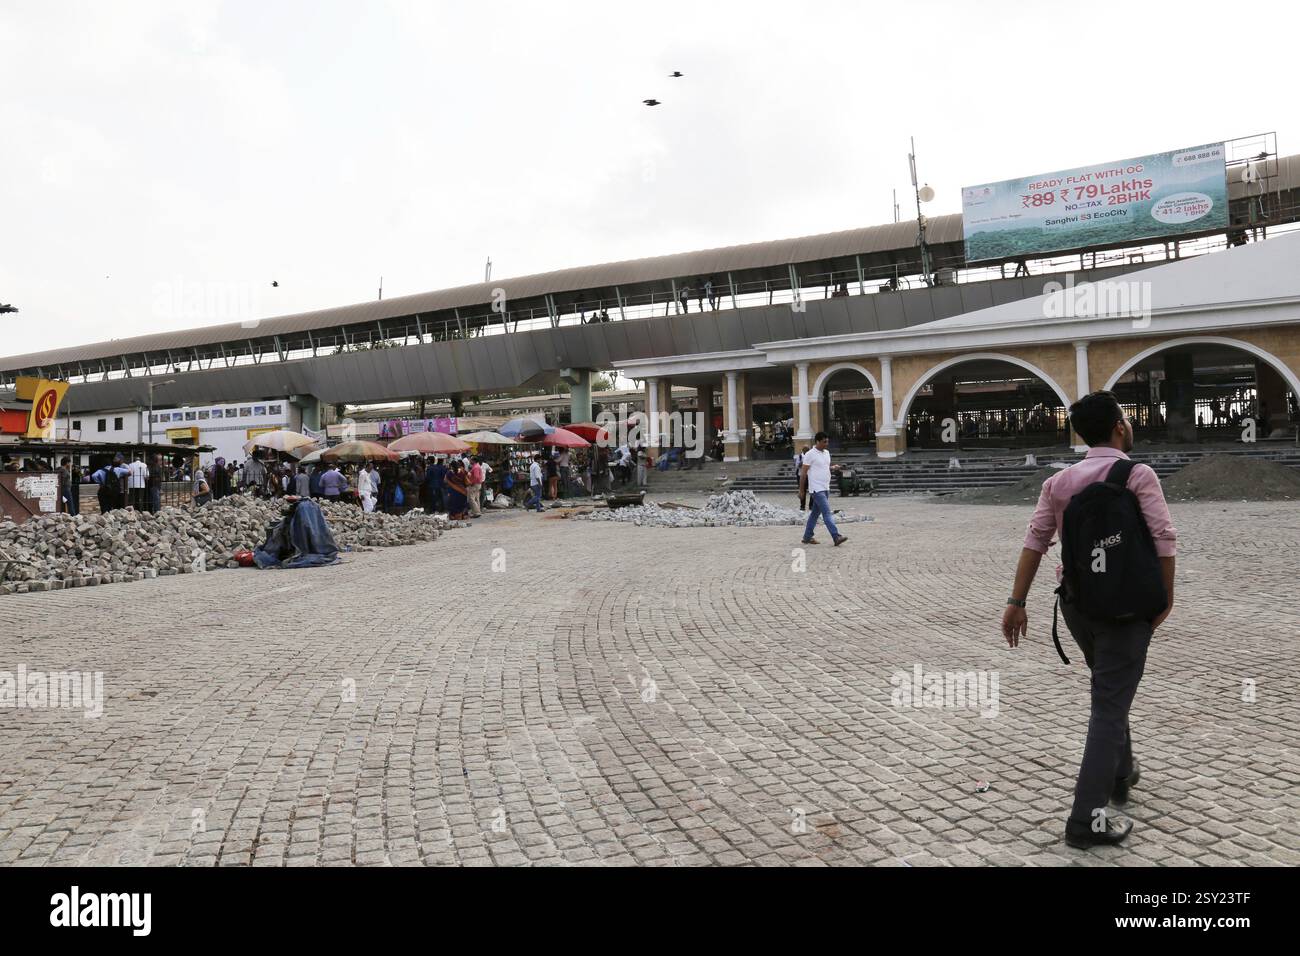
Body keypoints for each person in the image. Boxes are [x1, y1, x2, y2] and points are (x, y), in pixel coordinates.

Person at [1001, 390, 1176, 850]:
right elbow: (1163, 539)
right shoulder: (1138, 474)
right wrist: (1164, 599)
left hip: (1078, 606)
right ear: (1120, 426)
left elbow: (1035, 541)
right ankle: (1086, 820)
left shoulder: (1060, 483)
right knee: (1109, 706)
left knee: (1108, 687)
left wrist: (1016, 601)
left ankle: (1121, 771)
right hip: (1127, 607)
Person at [800, 432, 847, 546]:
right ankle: (836, 536)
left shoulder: (827, 453)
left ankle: (807, 537)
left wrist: (833, 467)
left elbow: (824, 467)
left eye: (827, 441)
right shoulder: (810, 454)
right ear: (817, 441)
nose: (826, 444)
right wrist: (801, 490)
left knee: (815, 514)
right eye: (824, 442)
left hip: (826, 487)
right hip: (816, 489)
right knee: (826, 512)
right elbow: (803, 473)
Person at [794, 445, 810, 511]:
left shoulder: (810, 456)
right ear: (803, 450)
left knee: (812, 490)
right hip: (801, 475)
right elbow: (797, 466)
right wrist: (803, 462)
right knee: (802, 490)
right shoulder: (800, 457)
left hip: (809, 475)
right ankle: (802, 506)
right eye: (805, 450)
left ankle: (811, 505)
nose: (806, 451)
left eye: (807, 450)